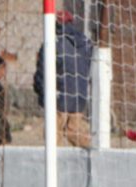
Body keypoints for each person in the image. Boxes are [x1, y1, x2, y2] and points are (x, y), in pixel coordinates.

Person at [33, 10, 93, 149]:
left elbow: (42, 71)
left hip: (59, 96)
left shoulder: (52, 42)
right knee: (73, 131)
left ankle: (56, 166)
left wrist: (41, 93)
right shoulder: (84, 42)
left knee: (54, 134)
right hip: (80, 97)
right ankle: (93, 150)